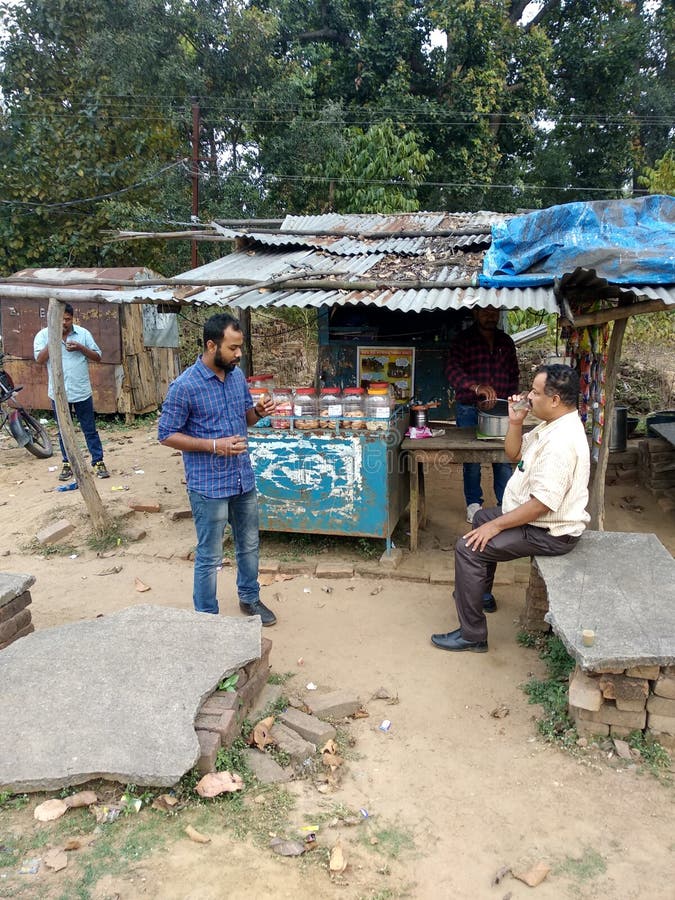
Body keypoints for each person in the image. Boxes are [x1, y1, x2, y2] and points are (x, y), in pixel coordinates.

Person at [431, 364, 590, 653]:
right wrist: (515, 422)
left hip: (549, 532)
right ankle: (481, 595)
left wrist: (497, 525)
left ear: (555, 400)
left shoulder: (561, 443)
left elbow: (542, 505)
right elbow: (513, 453)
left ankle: (472, 635)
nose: (528, 396)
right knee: (481, 517)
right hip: (539, 520)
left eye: (536, 392)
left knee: (468, 548)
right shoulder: (553, 425)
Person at [158, 313, 277, 626]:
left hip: (242, 478)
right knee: (209, 554)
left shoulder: (236, 376)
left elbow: (245, 419)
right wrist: (215, 446)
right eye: (233, 348)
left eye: (240, 348)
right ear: (211, 346)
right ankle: (207, 618)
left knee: (249, 544)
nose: (239, 354)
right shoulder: (185, 387)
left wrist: (258, 413)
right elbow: (166, 434)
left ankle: (250, 598)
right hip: (208, 485)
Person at [446, 305, 519, 524]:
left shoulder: (506, 341)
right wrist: (475, 386)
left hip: (500, 410)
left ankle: (504, 506)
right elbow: (451, 369)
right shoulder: (463, 340)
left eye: (494, 312)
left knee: (503, 458)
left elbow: (513, 374)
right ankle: (474, 505)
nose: (490, 315)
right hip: (469, 408)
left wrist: (514, 401)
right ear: (476, 313)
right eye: (485, 311)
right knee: (472, 459)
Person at [33, 303, 109, 480]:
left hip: (81, 391)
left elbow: (98, 357)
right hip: (58, 394)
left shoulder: (82, 334)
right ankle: (67, 463)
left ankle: (98, 462)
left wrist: (81, 348)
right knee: (63, 430)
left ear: (72, 318)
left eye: (67, 319)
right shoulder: (43, 335)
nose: (64, 323)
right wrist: (53, 339)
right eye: (60, 320)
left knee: (89, 429)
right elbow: (39, 360)